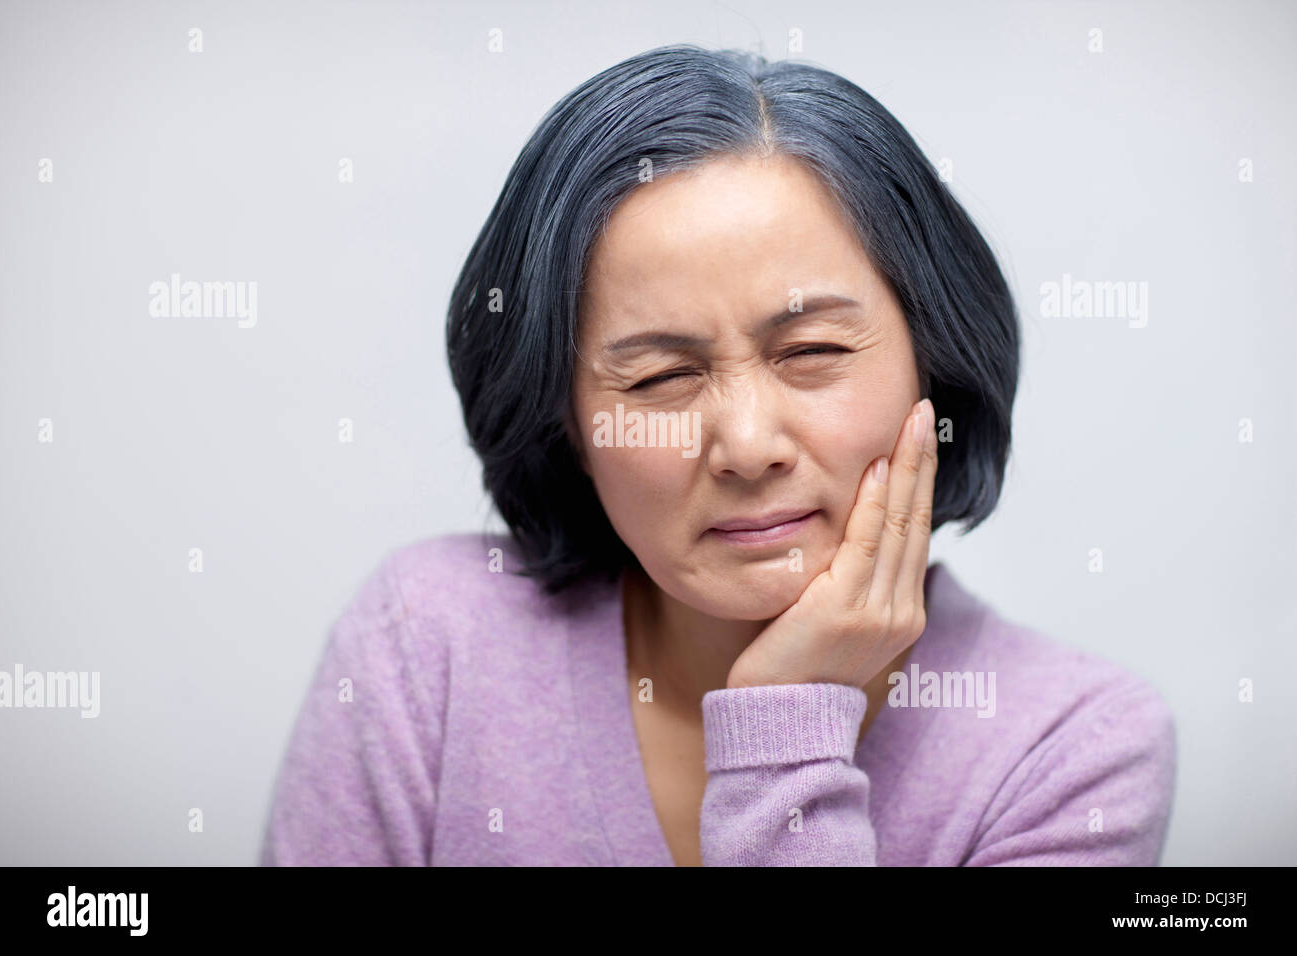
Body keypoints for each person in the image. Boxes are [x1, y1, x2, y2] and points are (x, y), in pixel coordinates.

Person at [260, 44, 1175, 866]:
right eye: (660, 378)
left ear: (931, 369)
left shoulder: (1071, 747)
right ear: (569, 426)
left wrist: (787, 728)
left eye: (811, 353)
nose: (745, 445)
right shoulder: (427, 648)